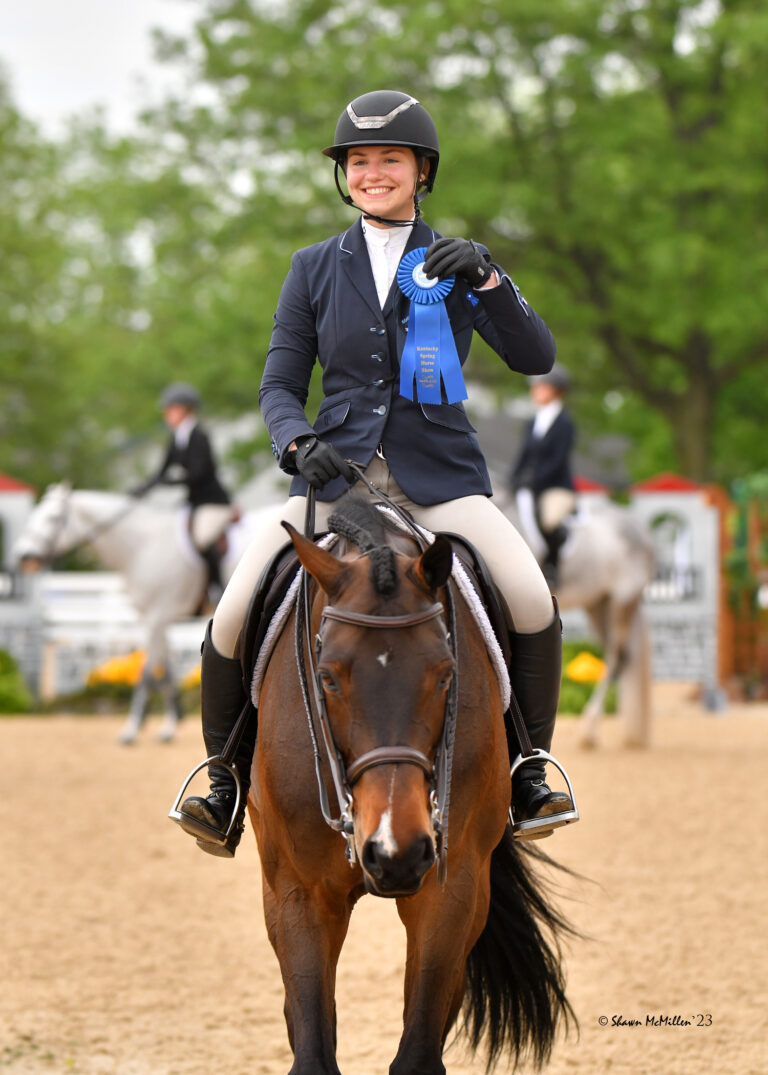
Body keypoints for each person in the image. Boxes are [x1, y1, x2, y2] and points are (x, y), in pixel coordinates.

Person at [173, 90, 576, 858]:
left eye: (389, 159)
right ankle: (221, 780)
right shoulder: (314, 268)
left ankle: (531, 768)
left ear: (422, 171)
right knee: (233, 609)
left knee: (530, 596)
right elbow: (279, 385)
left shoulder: (459, 264)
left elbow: (535, 357)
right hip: (339, 484)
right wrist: (297, 446)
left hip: (443, 479)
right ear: (344, 176)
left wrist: (490, 281)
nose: (372, 173)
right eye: (359, 162)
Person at [133, 382, 234, 599]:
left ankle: (217, 589)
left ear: (184, 409)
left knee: (202, 538)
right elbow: (163, 471)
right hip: (194, 504)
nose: (166, 414)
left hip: (213, 502)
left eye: (170, 408)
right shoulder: (176, 438)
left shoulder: (199, 436)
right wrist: (144, 488)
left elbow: (200, 473)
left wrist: (171, 483)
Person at [510, 364, 577, 587]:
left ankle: (552, 567)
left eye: (540, 387)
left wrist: (535, 481)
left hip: (556, 486)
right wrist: (513, 479)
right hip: (531, 485)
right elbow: (523, 455)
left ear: (555, 390)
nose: (535, 391)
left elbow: (558, 460)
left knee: (548, 521)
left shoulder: (565, 423)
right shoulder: (533, 422)